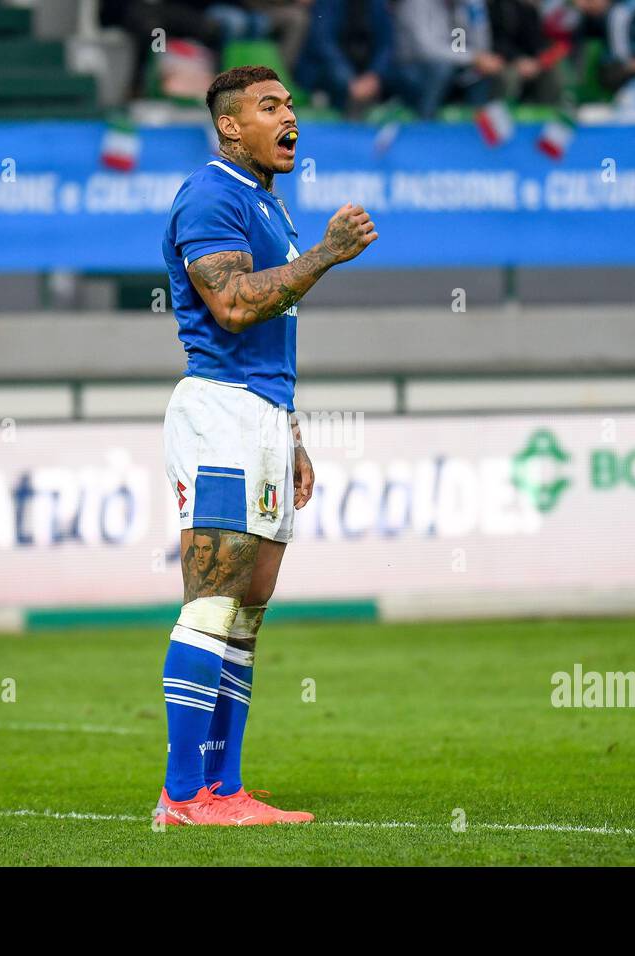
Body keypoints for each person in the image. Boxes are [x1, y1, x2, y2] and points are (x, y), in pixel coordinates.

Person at [155, 65, 378, 825]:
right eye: (270, 106)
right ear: (229, 125)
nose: (291, 116)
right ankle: (182, 795)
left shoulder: (264, 204)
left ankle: (226, 790)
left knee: (246, 611)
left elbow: (270, 341)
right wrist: (325, 254)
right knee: (212, 602)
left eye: (290, 103)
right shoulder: (211, 193)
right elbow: (232, 306)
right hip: (218, 413)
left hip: (261, 418)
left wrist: (290, 432)